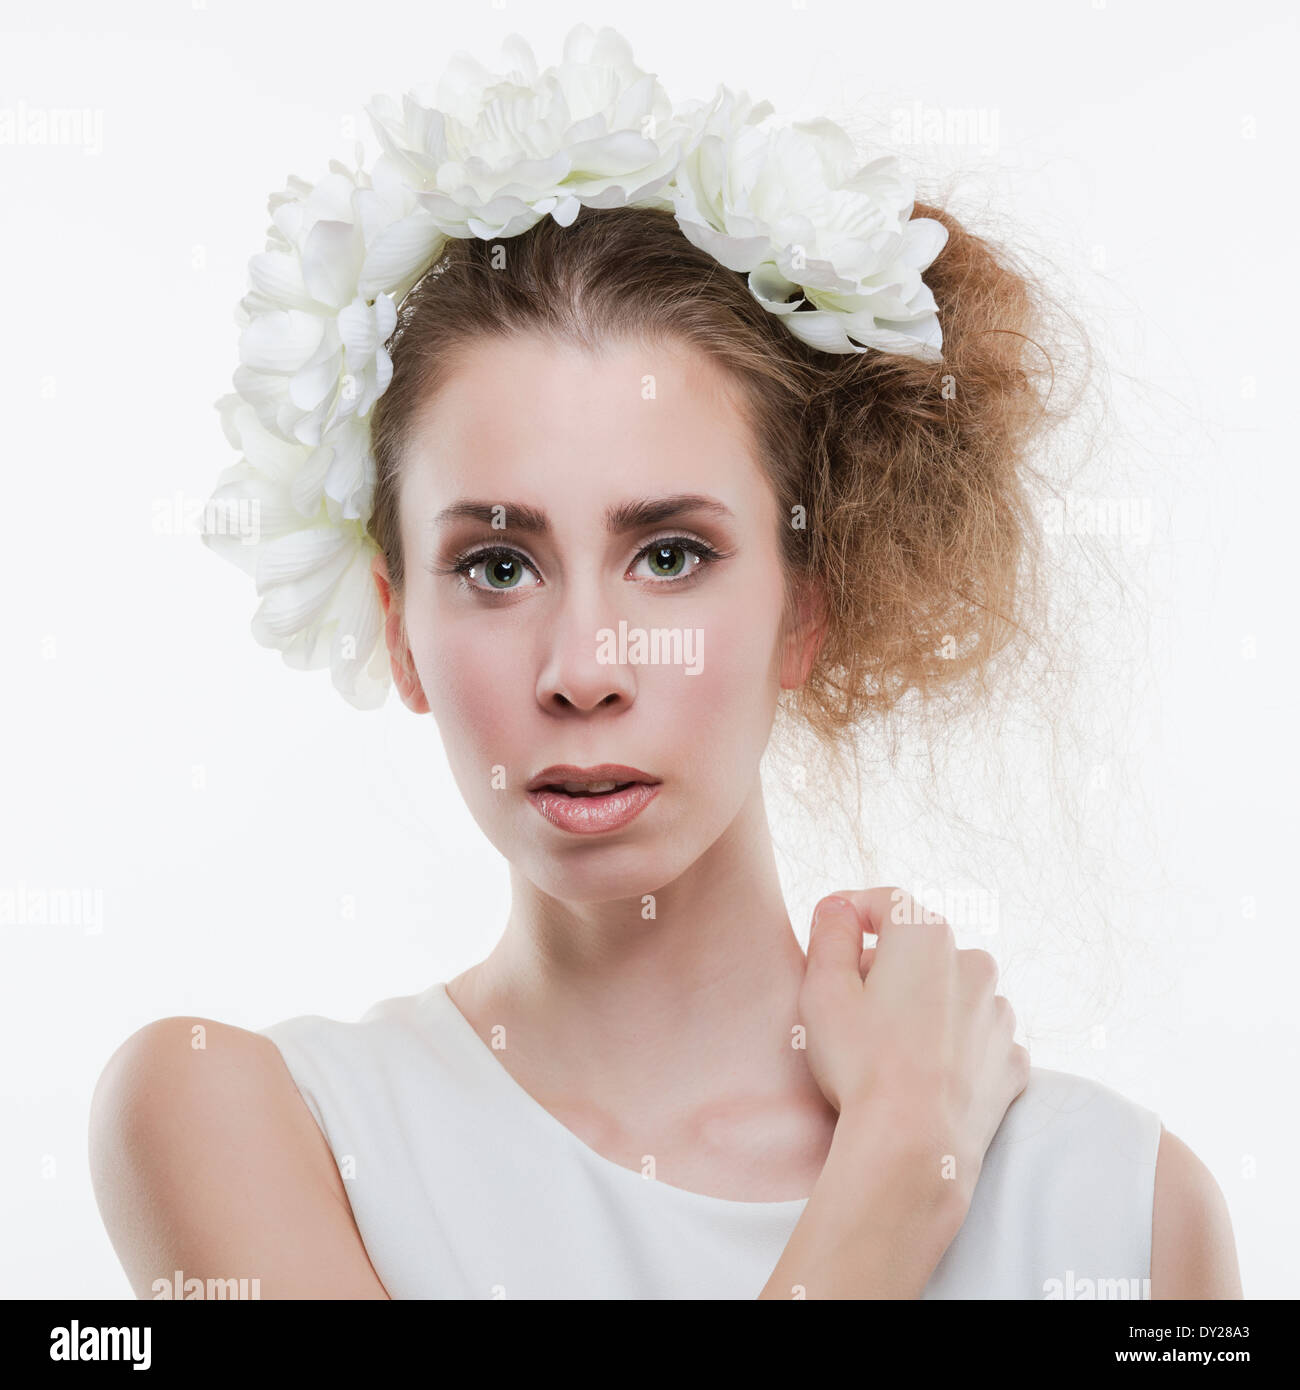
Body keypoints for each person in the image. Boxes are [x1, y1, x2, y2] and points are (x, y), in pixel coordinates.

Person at [88, 29, 1241, 1300]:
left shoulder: (1120, 1212)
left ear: (808, 607)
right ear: (396, 625)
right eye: (495, 566)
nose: (584, 669)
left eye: (672, 555)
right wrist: (900, 1172)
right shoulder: (244, 1122)